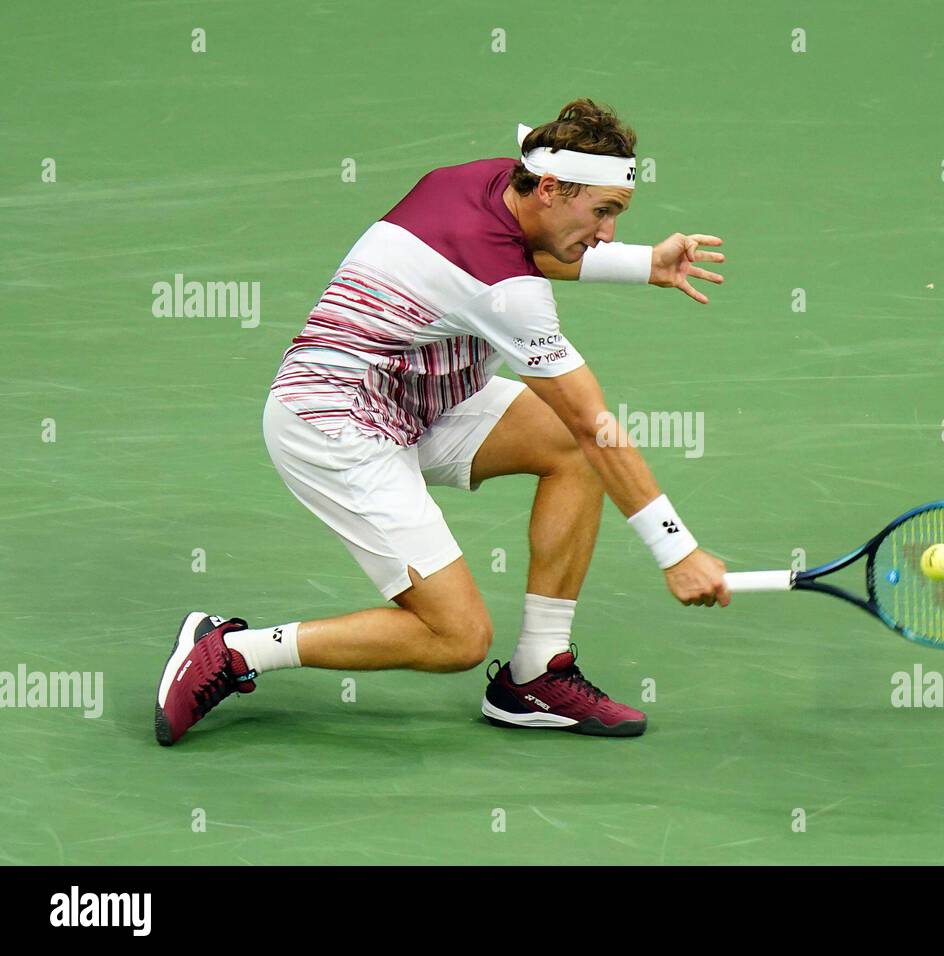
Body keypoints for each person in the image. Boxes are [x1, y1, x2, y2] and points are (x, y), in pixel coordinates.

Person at [156, 99, 730, 745]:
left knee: (567, 448)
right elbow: (595, 419)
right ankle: (231, 653)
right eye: (603, 213)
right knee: (455, 636)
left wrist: (637, 262)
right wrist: (676, 551)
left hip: (421, 396)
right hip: (334, 422)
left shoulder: (481, 180)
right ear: (548, 187)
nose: (604, 231)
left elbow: (521, 250)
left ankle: (536, 674)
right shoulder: (508, 295)